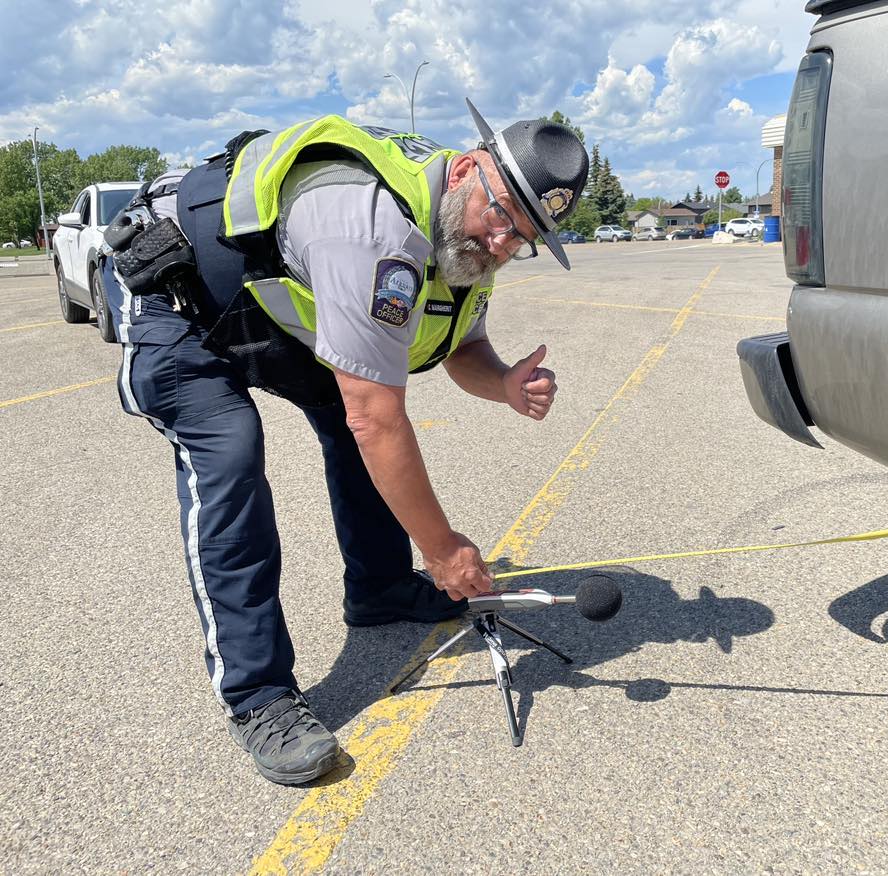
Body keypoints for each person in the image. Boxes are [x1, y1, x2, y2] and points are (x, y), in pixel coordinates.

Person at [104, 100, 590, 784]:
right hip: (176, 293)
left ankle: (381, 588)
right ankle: (258, 697)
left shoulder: (465, 239)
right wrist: (445, 549)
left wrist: (504, 380)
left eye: (528, 237)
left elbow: (461, 342)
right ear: (469, 168)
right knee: (233, 455)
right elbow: (377, 418)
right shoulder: (371, 228)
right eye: (504, 215)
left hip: (268, 310)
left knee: (348, 419)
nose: (506, 244)